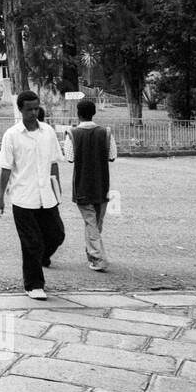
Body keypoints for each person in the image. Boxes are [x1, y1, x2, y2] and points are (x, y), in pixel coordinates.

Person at [0, 90, 65, 301]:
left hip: (47, 196)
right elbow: (5, 168)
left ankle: (40, 258)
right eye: (29, 109)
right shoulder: (12, 135)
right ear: (21, 109)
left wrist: (57, 189)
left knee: (57, 234)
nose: (34, 113)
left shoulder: (48, 132)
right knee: (31, 242)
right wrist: (0, 198)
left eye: (37, 108)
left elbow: (53, 163)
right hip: (23, 197)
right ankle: (34, 285)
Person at [64, 98, 117, 271]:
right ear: (94, 113)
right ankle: (94, 254)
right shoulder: (106, 133)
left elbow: (69, 158)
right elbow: (112, 156)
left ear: (78, 114)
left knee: (90, 222)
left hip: (82, 186)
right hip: (102, 185)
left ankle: (97, 257)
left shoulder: (72, 134)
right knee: (95, 222)